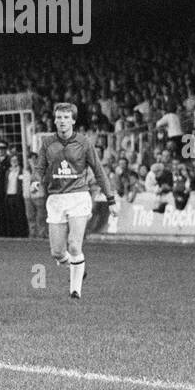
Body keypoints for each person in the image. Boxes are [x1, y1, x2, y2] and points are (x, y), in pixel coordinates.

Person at [37, 102, 118, 300]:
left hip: (78, 196)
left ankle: (75, 291)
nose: (62, 121)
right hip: (56, 198)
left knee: (74, 245)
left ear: (73, 120)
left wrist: (111, 199)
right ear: (54, 120)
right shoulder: (47, 143)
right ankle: (78, 266)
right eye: (58, 117)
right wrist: (33, 182)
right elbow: (39, 169)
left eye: (66, 117)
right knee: (57, 253)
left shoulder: (84, 142)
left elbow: (98, 171)